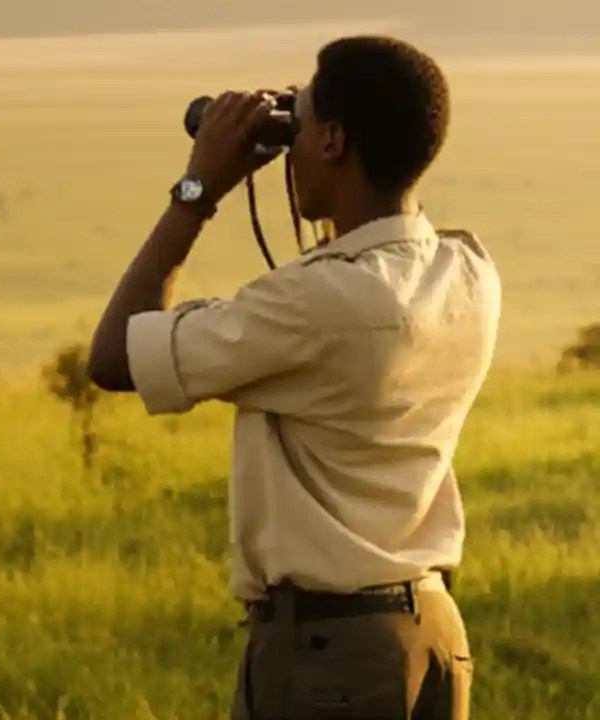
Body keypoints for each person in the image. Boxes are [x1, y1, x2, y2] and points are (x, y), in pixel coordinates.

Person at [85, 36, 500, 719]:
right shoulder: (467, 271)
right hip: (431, 634)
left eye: (299, 126)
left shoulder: (314, 303)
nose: (291, 146)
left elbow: (112, 358)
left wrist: (198, 190)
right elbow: (355, 269)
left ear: (334, 141)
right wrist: (308, 120)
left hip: (331, 655)